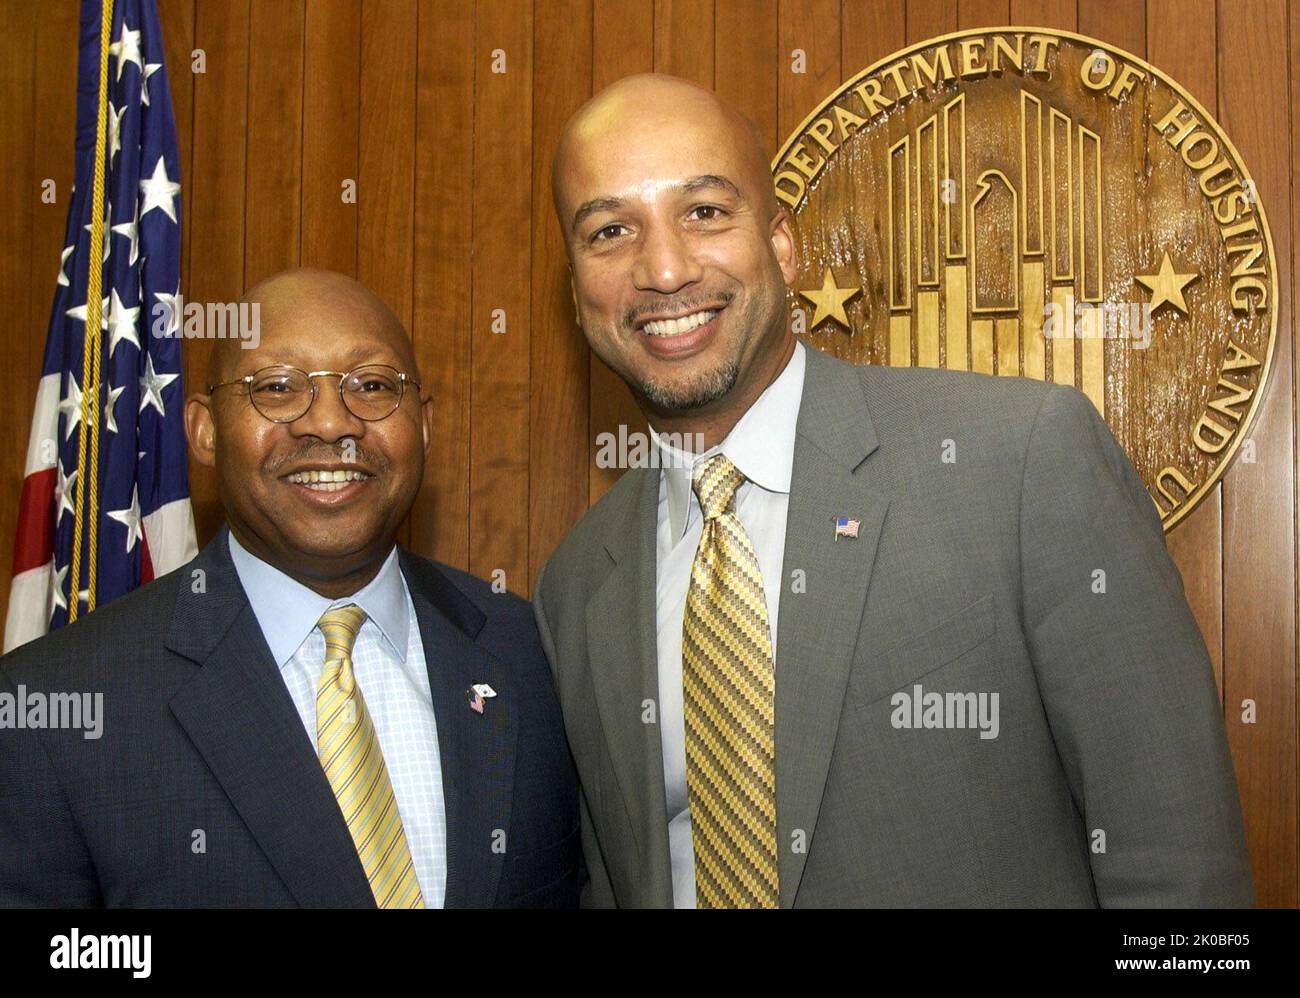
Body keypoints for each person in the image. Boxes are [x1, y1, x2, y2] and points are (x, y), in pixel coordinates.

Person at [533, 73, 1253, 908]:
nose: (662, 268)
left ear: (784, 248)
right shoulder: (577, 585)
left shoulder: (1019, 462)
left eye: (704, 212)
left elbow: (1179, 869)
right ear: (577, 289)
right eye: (611, 230)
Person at [0, 268, 579, 908]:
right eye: (276, 388)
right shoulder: (53, 707)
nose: (331, 424)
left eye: (374, 386)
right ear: (204, 429)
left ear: (425, 426)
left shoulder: (533, 654)